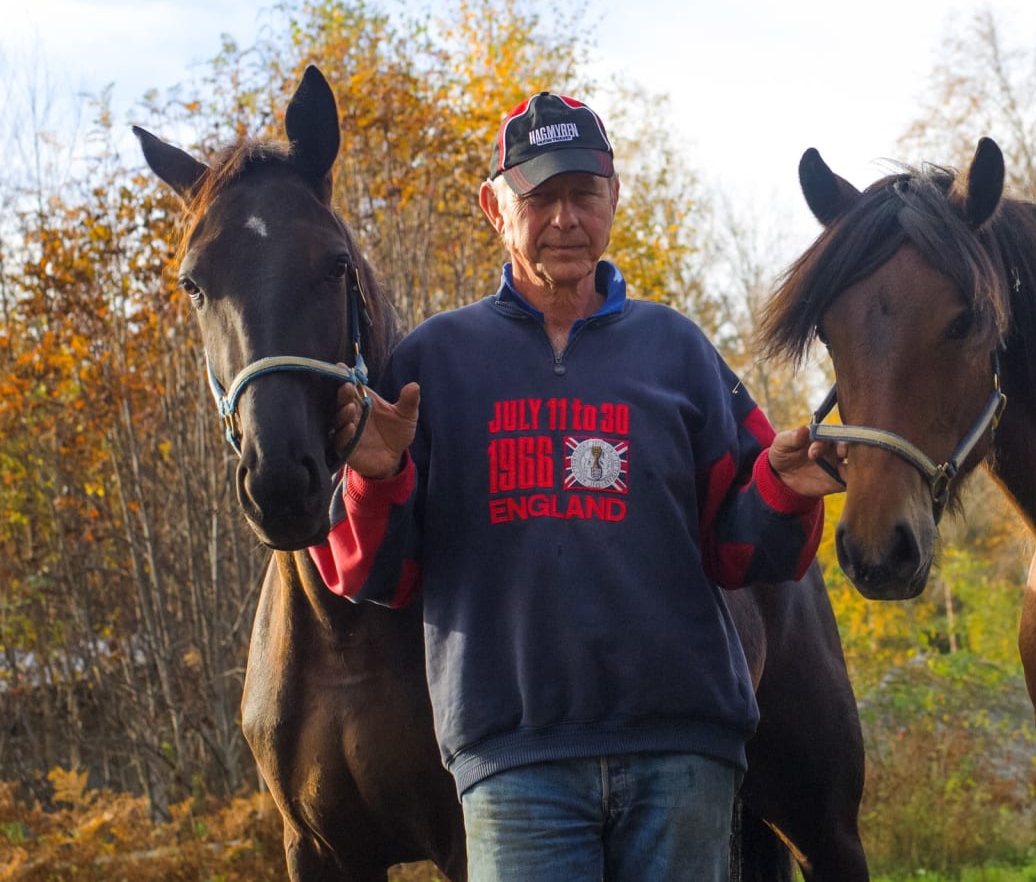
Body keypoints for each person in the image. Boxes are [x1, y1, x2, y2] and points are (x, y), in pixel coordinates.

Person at [317, 91, 842, 882]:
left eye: (583, 193)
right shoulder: (434, 366)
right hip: (515, 761)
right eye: (540, 196)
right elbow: (372, 576)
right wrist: (379, 475)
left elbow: (737, 551)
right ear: (495, 207)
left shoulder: (680, 352)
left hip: (683, 752)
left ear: (613, 199)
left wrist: (784, 488)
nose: (564, 218)